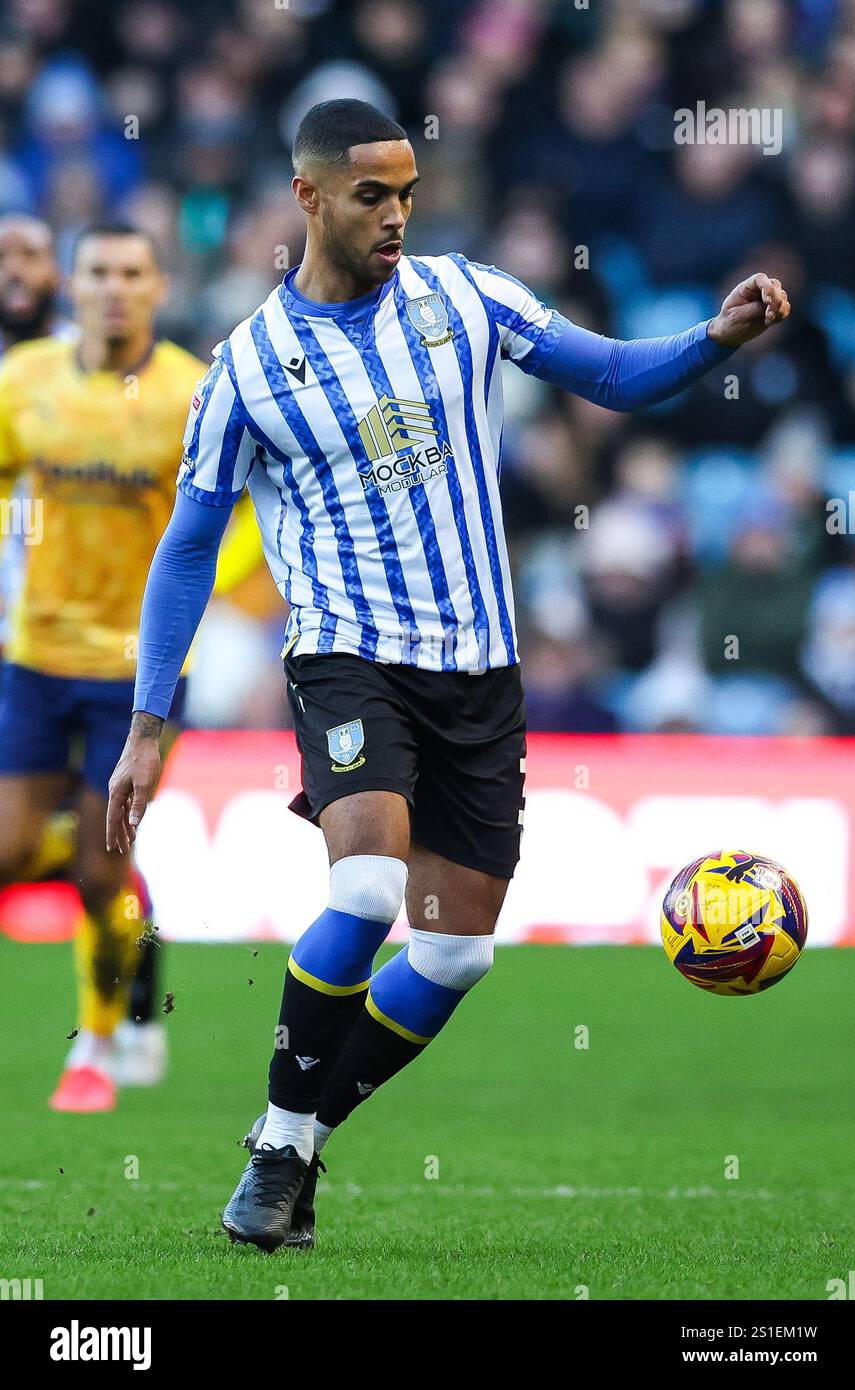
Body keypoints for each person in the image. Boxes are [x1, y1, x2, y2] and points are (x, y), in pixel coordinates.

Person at [106, 99, 790, 1251]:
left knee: (452, 953)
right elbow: (186, 548)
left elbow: (613, 377)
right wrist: (148, 718)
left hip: (479, 665)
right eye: (373, 195)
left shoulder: (464, 295)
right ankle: (276, 1147)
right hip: (346, 656)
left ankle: (302, 1141)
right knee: (366, 889)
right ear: (309, 197)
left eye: (410, 192)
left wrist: (713, 340)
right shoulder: (249, 368)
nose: (397, 215)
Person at [0, 222, 206, 1112]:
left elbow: (230, 522)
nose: (114, 288)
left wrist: (194, 608)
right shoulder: (24, 381)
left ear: (157, 287)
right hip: (38, 654)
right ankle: (124, 932)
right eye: (98, 273)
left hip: (141, 673)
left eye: (132, 273)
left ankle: (97, 1043)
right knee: (10, 851)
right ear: (72, 286)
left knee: (99, 869)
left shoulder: (190, 394)